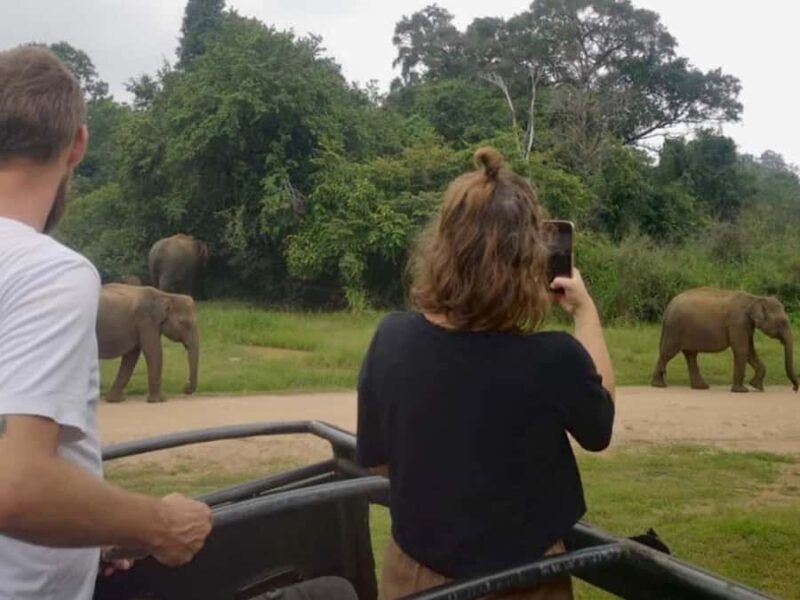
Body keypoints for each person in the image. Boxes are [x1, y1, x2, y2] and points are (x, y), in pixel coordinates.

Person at [0, 46, 212, 599]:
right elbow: (17, 486)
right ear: (78, 145)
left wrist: (92, 530)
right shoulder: (49, 272)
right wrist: (156, 525)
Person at [356, 147, 615, 599]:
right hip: (525, 582)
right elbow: (600, 424)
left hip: (412, 576)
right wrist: (585, 313)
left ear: (442, 248)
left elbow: (379, 462)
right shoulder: (555, 359)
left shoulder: (391, 338)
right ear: (529, 261)